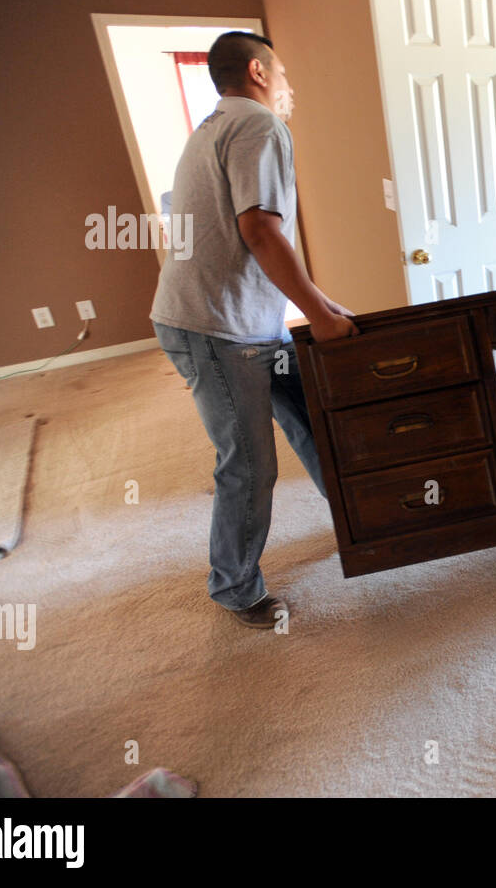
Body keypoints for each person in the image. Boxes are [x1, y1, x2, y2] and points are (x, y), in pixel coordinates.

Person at [149, 32, 358, 629]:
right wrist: (319, 316)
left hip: (248, 323)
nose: (289, 86)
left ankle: (358, 520)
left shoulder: (213, 125)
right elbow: (261, 231)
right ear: (258, 70)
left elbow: (257, 240)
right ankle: (235, 586)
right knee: (247, 464)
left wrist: (319, 303)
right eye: (284, 73)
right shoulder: (259, 125)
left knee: (312, 416)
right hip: (216, 329)